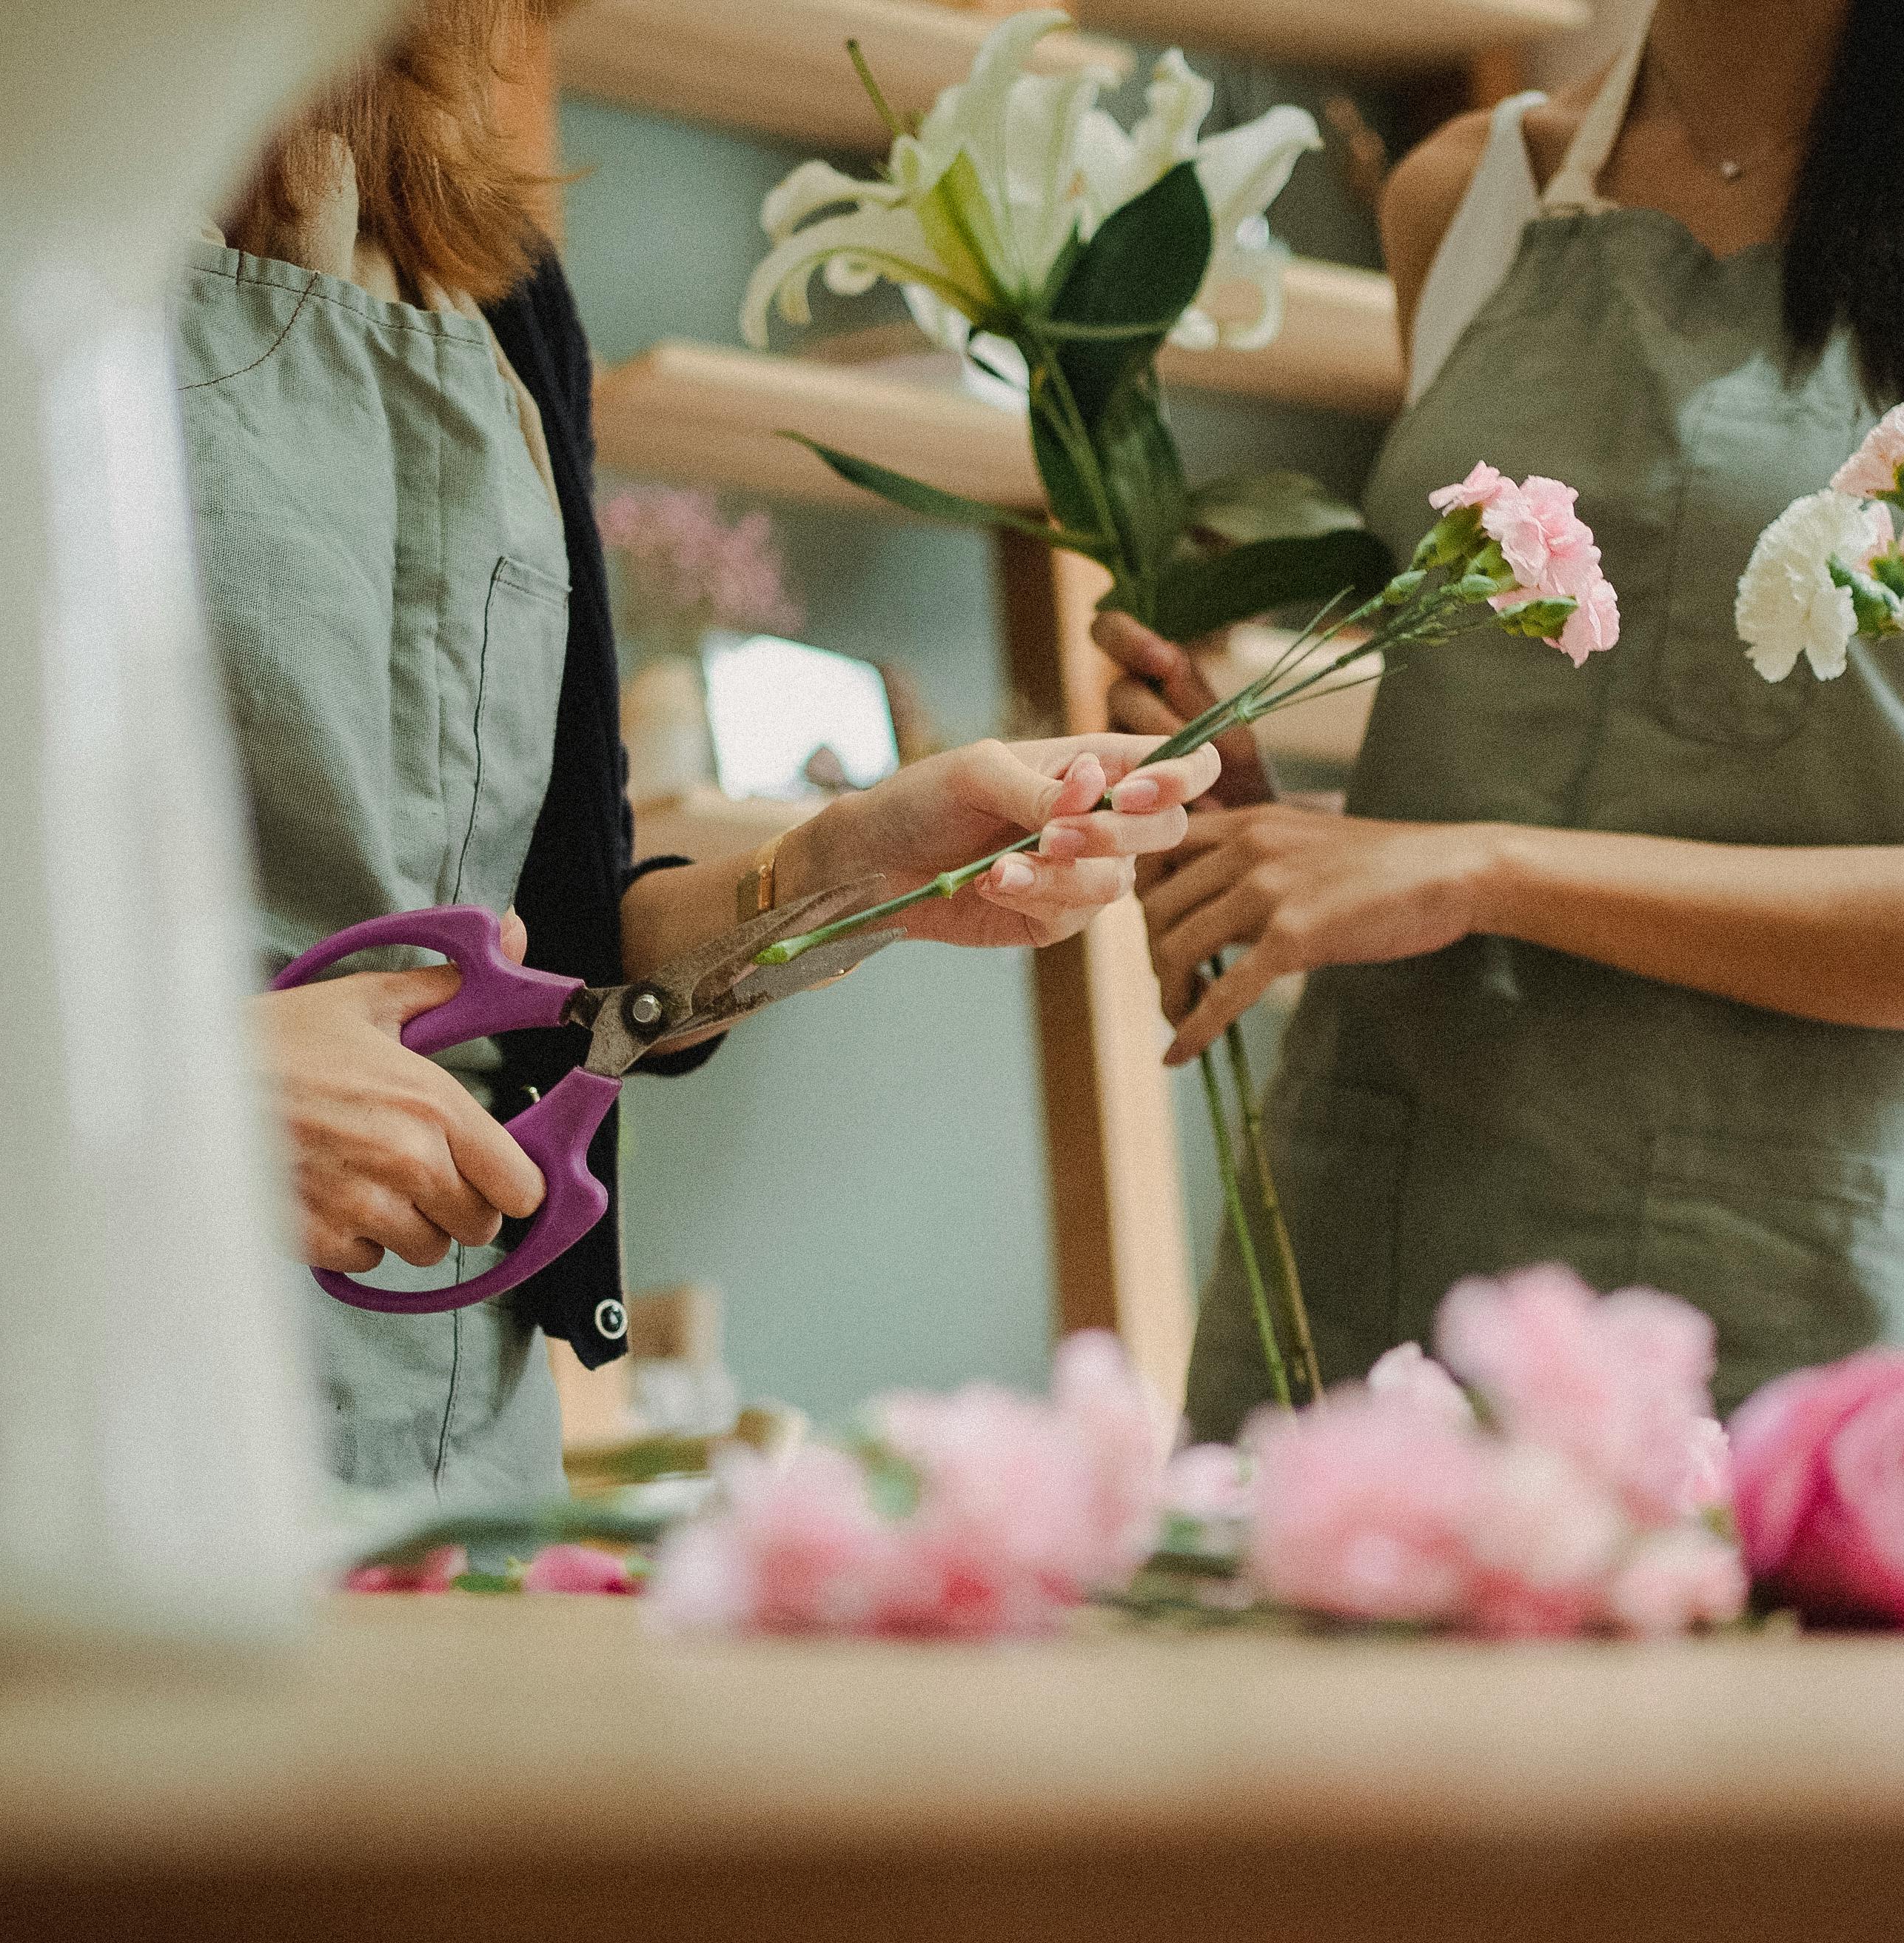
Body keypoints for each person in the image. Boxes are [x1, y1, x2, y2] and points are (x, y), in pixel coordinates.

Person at [1096, 0, 1904, 1437]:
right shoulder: (1465, 200)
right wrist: (1265, 835)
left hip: (1798, 1317)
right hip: (1376, 1259)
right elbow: (1550, 743)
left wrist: (1474, 868)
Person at [184, 0, 1218, 1505]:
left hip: (446, 1424)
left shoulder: (490, 277)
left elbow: (579, 952)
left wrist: (839, 872)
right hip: (32, 1369)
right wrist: (181, 1085)